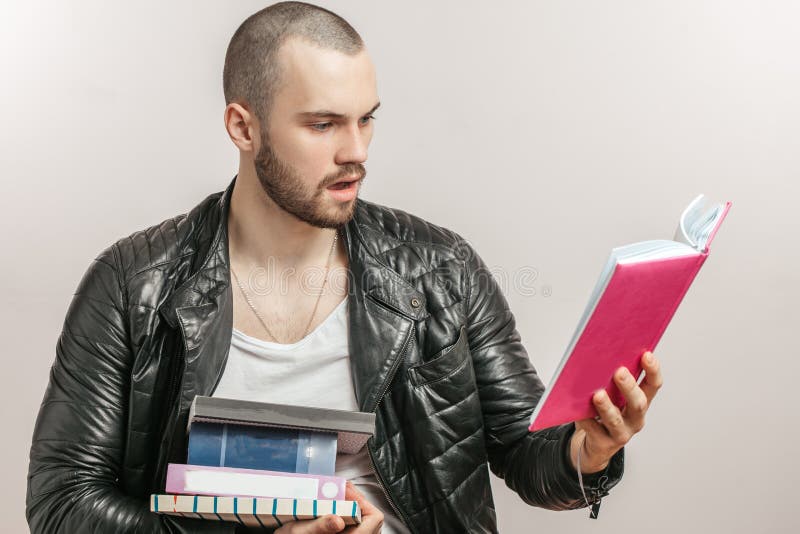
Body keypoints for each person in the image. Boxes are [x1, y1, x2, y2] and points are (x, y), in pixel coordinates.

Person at [26, 2, 663, 533]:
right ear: (243, 127)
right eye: (323, 124)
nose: (355, 152)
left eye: (366, 120)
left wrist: (589, 449)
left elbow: (527, 454)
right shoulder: (131, 285)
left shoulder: (442, 270)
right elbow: (61, 503)